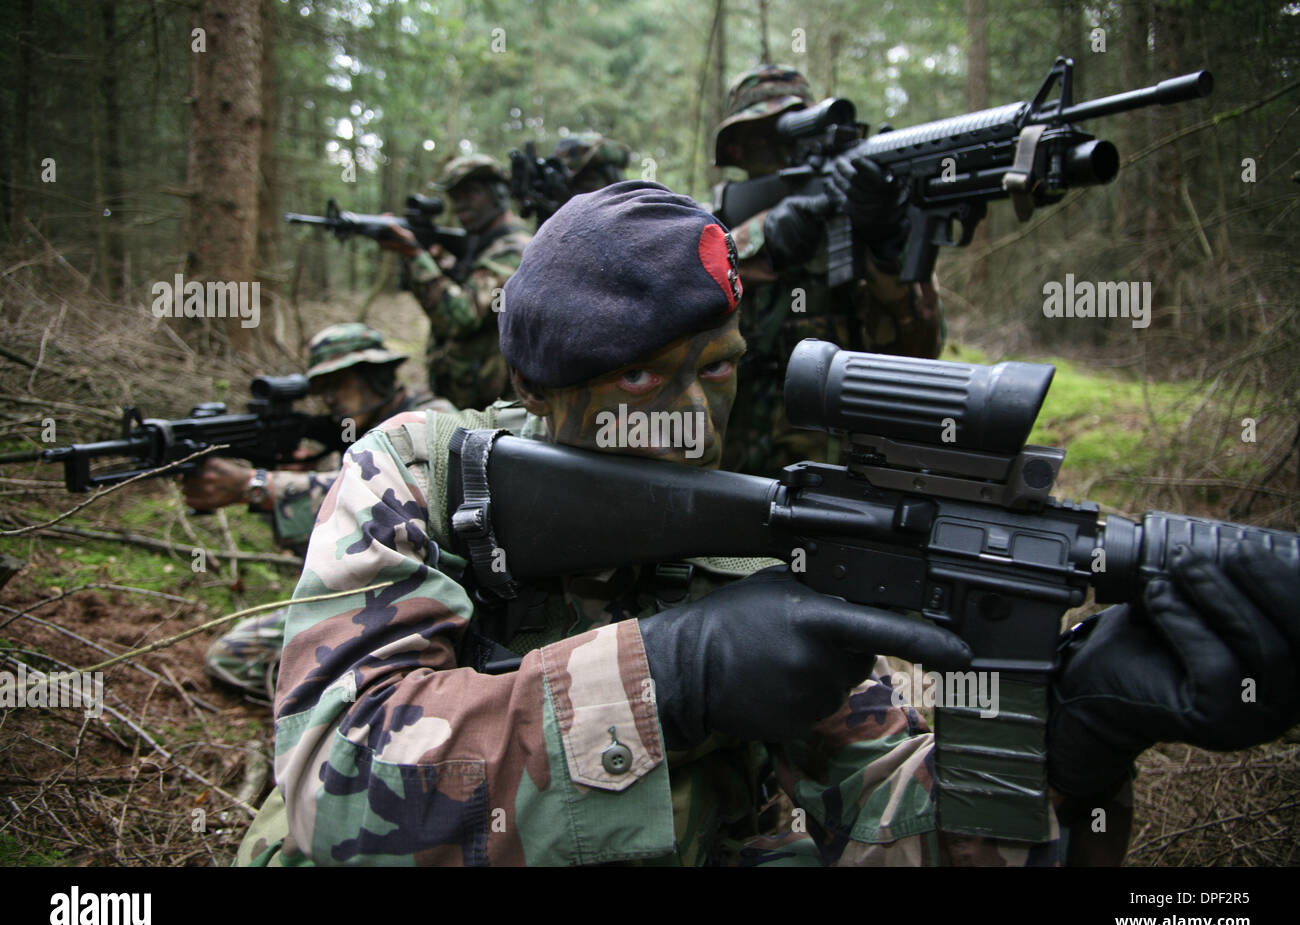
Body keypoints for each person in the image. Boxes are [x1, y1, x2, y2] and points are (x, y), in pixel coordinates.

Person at [235, 183, 1299, 866]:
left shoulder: (754, 540)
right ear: (535, 381)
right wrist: (672, 672)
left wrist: (1074, 745)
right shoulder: (417, 470)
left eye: (721, 371)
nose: (691, 420)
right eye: (645, 375)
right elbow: (338, 785)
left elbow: (889, 825)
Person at [182, 323, 452, 705]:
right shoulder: (347, 434)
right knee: (232, 656)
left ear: (374, 377)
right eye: (322, 389)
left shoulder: (430, 420)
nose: (329, 399)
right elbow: (331, 545)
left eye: (338, 384)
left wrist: (262, 487)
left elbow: (382, 503)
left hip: (421, 598)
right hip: (356, 595)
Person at [712, 65, 946, 476]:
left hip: (845, 472)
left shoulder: (857, 217)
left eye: (792, 132)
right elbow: (679, 318)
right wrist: (765, 237)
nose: (783, 149)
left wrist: (885, 245)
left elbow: (924, 349)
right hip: (734, 468)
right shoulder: (710, 229)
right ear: (736, 149)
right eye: (765, 136)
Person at [379, 154, 531, 411]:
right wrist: (436, 259)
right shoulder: (481, 246)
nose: (460, 205)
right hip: (463, 400)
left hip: (498, 410)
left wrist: (415, 257)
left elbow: (460, 317)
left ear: (498, 194)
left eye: (470, 193)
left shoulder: (516, 249)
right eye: (454, 197)